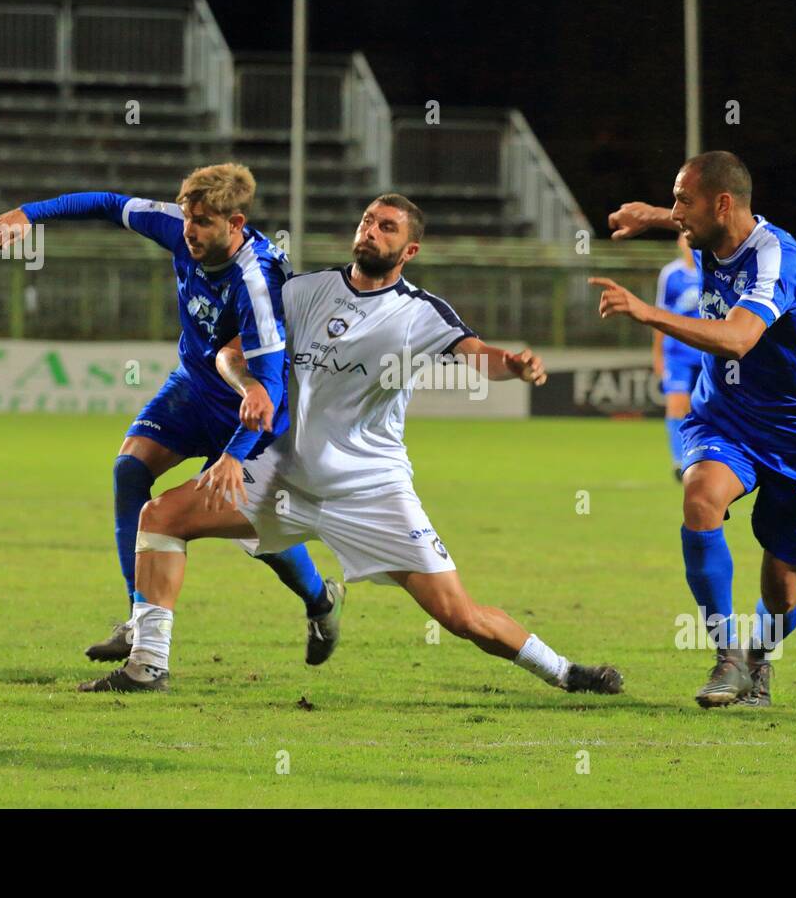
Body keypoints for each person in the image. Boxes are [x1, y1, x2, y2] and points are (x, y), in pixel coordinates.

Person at [78, 194, 624, 696]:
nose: (371, 232)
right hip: (283, 475)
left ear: (408, 249)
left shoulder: (419, 313)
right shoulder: (303, 292)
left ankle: (567, 673)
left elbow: (476, 353)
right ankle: (148, 665)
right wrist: (247, 386)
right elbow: (231, 351)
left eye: (387, 228)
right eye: (367, 221)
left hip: (370, 490)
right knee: (160, 517)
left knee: (460, 617)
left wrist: (516, 365)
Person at [0, 165, 342, 667]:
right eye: (187, 217)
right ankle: (138, 622)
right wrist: (30, 213)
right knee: (129, 470)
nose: (189, 231)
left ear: (235, 221)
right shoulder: (178, 226)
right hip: (194, 390)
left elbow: (269, 390)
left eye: (202, 222)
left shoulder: (256, 282)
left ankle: (321, 601)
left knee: (256, 536)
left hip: (251, 417)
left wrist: (233, 456)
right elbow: (110, 203)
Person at [597, 151, 796, 707]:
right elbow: (697, 217)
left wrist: (645, 312)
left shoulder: (780, 261)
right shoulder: (715, 233)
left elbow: (736, 338)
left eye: (684, 200)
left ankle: (757, 657)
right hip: (723, 416)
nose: (677, 212)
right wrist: (652, 215)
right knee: (699, 494)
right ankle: (728, 655)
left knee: (783, 590)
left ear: (722, 204)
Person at [650, 233, 704, 480]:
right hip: (677, 353)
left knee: (701, 408)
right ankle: (678, 460)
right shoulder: (670, 274)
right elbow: (659, 317)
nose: (689, 243)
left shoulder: (712, 272)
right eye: (684, 238)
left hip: (705, 351)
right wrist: (658, 354)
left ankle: (699, 457)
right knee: (675, 404)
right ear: (679, 243)